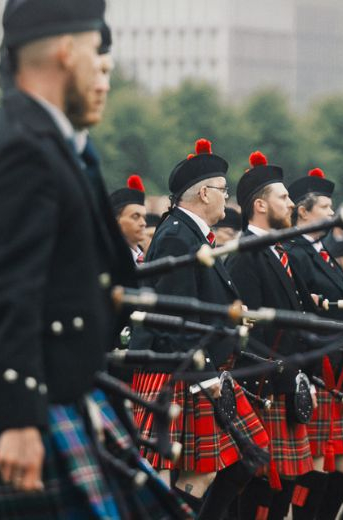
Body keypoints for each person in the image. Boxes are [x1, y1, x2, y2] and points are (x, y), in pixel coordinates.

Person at [0, 2, 184, 517]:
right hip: (26, 412)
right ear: (67, 52)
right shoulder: (23, 146)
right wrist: (19, 416)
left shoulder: (31, 139)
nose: (104, 76)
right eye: (96, 54)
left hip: (46, 393)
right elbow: (6, 285)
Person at [125, 138, 268, 519]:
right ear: (204, 193)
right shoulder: (176, 235)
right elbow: (175, 315)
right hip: (181, 370)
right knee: (188, 473)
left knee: (247, 455)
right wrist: (204, 377)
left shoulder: (186, 232)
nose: (228, 199)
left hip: (196, 368)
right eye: (223, 191)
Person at [228, 150, 317, 520]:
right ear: (260, 204)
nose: (292, 203)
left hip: (288, 382)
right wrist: (287, 372)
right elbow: (249, 333)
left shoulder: (280, 251)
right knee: (262, 489)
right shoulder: (245, 256)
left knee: (287, 487)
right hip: (263, 389)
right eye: (284, 197)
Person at [282, 167, 343, 519]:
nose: (332, 213)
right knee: (315, 459)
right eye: (325, 207)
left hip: (341, 367)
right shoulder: (296, 252)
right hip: (320, 367)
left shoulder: (321, 251)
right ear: (303, 211)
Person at [109, 174, 147, 263]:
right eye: (135, 217)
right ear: (116, 220)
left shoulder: (146, 258)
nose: (143, 223)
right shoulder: (111, 260)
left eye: (144, 217)